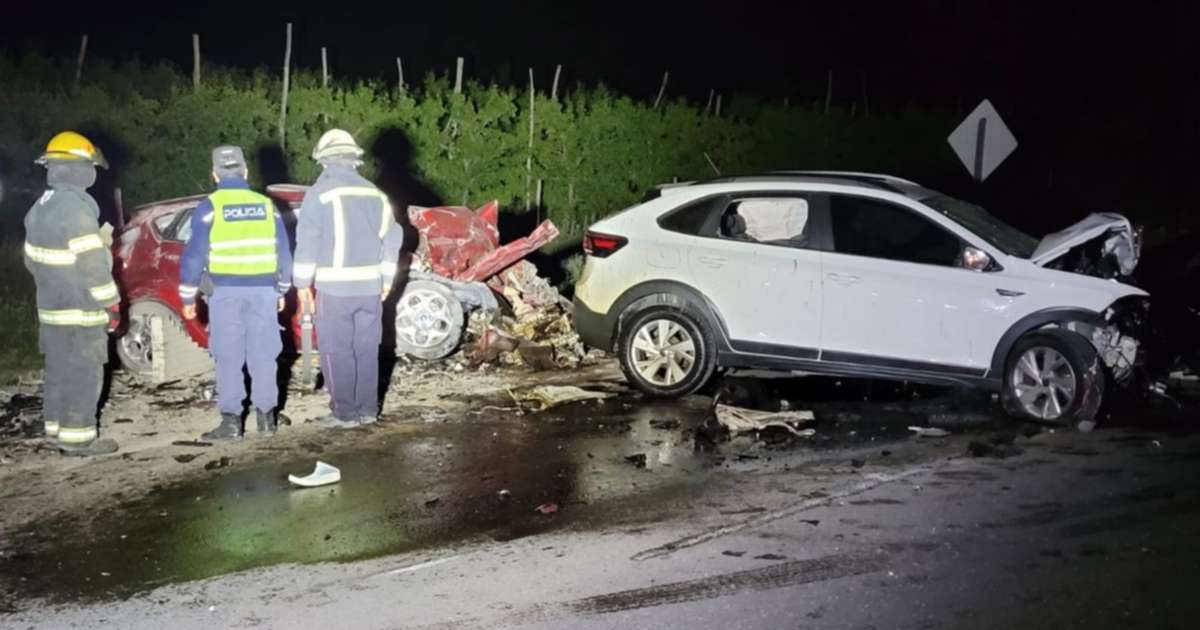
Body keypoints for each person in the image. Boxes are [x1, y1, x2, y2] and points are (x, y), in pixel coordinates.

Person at [179, 146, 293, 440]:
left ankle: (231, 423)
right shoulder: (267, 206)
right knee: (265, 354)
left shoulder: (210, 207)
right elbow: (284, 253)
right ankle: (267, 420)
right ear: (246, 172)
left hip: (225, 295)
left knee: (228, 356)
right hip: (263, 293)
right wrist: (281, 289)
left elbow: (194, 256)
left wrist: (188, 297)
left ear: (215, 175)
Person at [293, 129, 404, 428]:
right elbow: (393, 236)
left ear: (324, 160)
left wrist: (302, 284)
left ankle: (344, 413)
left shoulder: (320, 193)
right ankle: (367, 411)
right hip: (370, 290)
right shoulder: (376, 194)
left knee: (336, 350)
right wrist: (386, 279)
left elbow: (308, 241)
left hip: (335, 291)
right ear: (354, 160)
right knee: (366, 350)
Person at [23, 131, 122, 456]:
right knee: (83, 372)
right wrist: (111, 302)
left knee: (58, 371)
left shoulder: (40, 207)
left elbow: (31, 260)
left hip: (51, 310)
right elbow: (93, 266)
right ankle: (79, 440)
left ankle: (55, 430)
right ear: (80, 169)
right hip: (82, 311)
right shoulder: (78, 210)